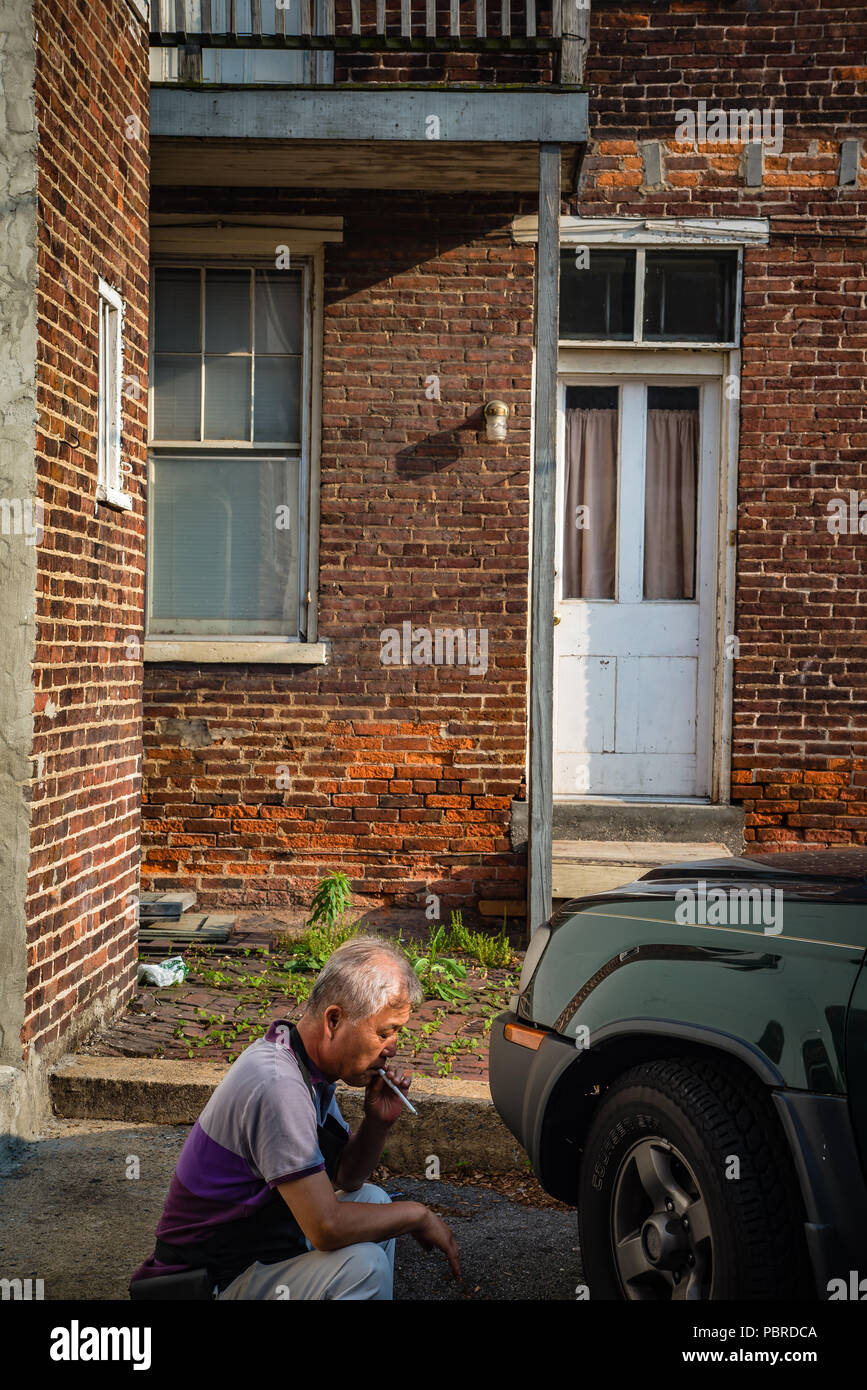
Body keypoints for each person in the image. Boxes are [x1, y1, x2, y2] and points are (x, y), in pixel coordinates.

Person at [129, 935, 461, 1299]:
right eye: (385, 1032)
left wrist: (377, 1124)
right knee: (363, 1267)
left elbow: (348, 1177)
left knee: (375, 1200)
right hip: (206, 1280)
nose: (393, 1047)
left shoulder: (304, 1066)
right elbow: (325, 1227)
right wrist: (418, 1215)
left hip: (254, 1248)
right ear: (334, 1020)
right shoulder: (279, 1085)